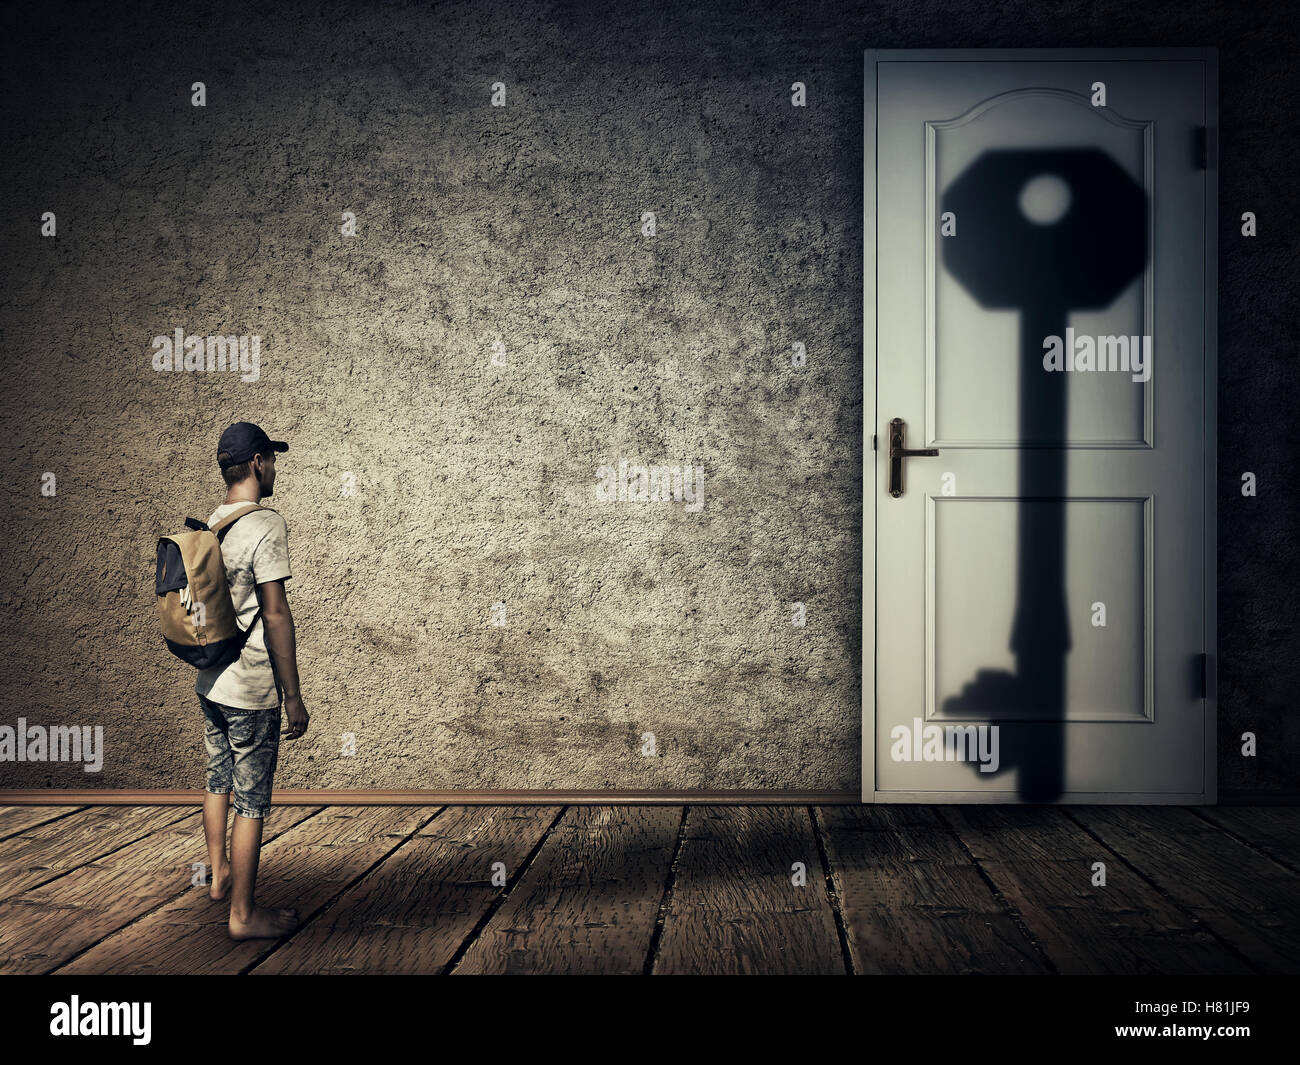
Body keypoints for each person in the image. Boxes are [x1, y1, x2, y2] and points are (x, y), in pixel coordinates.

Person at [195, 421, 310, 940]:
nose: (276, 468)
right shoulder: (265, 523)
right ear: (259, 462)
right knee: (253, 799)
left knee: (218, 779)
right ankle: (243, 914)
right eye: (273, 459)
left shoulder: (214, 522)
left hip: (211, 683)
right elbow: (277, 613)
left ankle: (219, 875)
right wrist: (293, 696)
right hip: (250, 688)